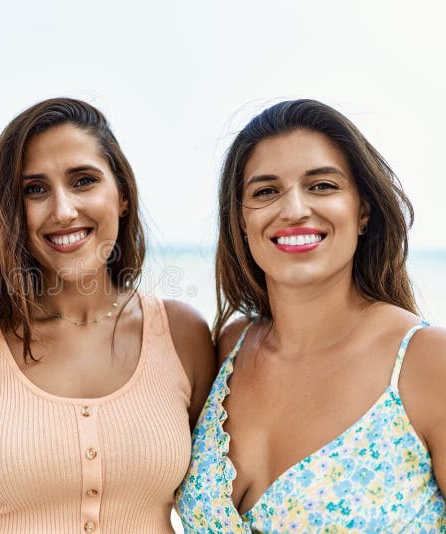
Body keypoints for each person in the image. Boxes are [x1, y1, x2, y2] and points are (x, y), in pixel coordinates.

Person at [0, 97, 215, 533]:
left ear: (121, 195)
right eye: (35, 189)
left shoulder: (183, 335)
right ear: (12, 212)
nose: (62, 210)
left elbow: (219, 504)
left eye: (83, 181)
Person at [178, 99, 446, 531]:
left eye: (321, 186)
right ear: (241, 224)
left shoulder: (427, 363)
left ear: (362, 211)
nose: (294, 209)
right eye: (265, 191)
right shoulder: (230, 347)